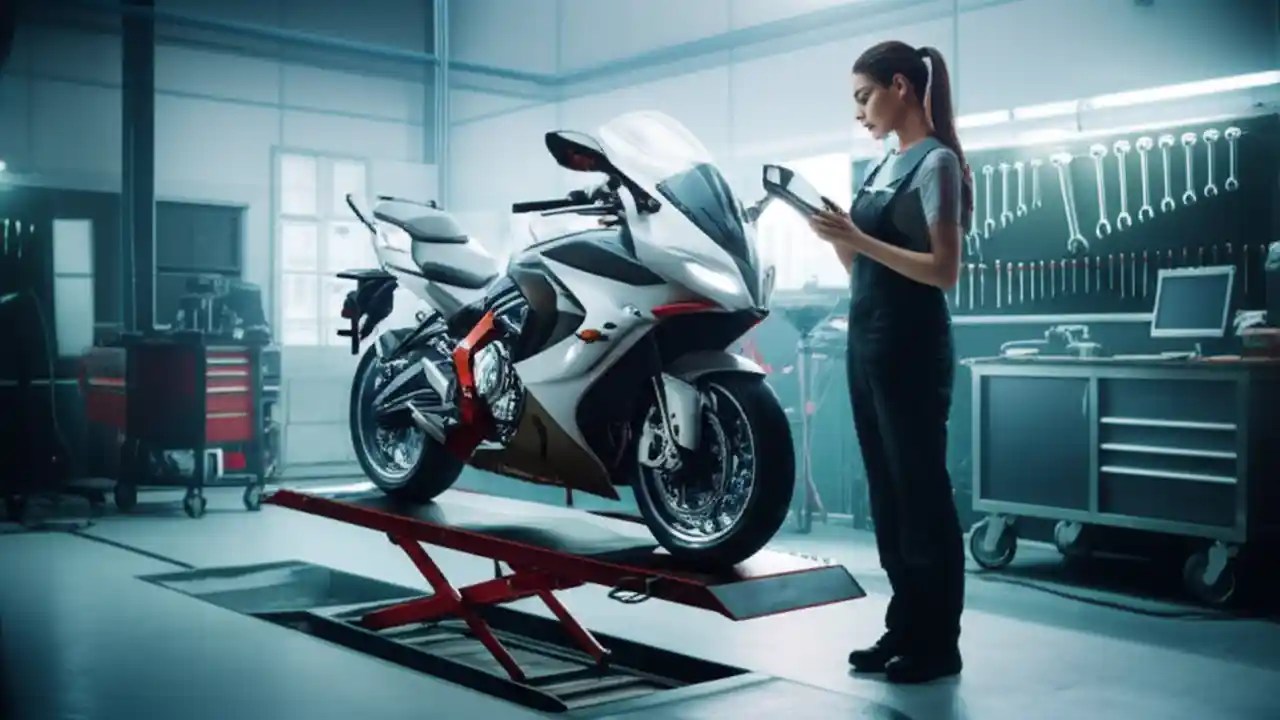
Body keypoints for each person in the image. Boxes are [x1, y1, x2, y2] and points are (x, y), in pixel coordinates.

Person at [808, 40, 971, 684]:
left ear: (900, 86)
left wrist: (859, 237)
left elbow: (944, 271)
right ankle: (904, 627)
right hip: (867, 342)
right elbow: (862, 267)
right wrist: (838, 238)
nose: (859, 113)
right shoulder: (882, 165)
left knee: (920, 491)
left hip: (912, 346)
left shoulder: (937, 164)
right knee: (885, 489)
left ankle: (938, 643)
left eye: (864, 97)